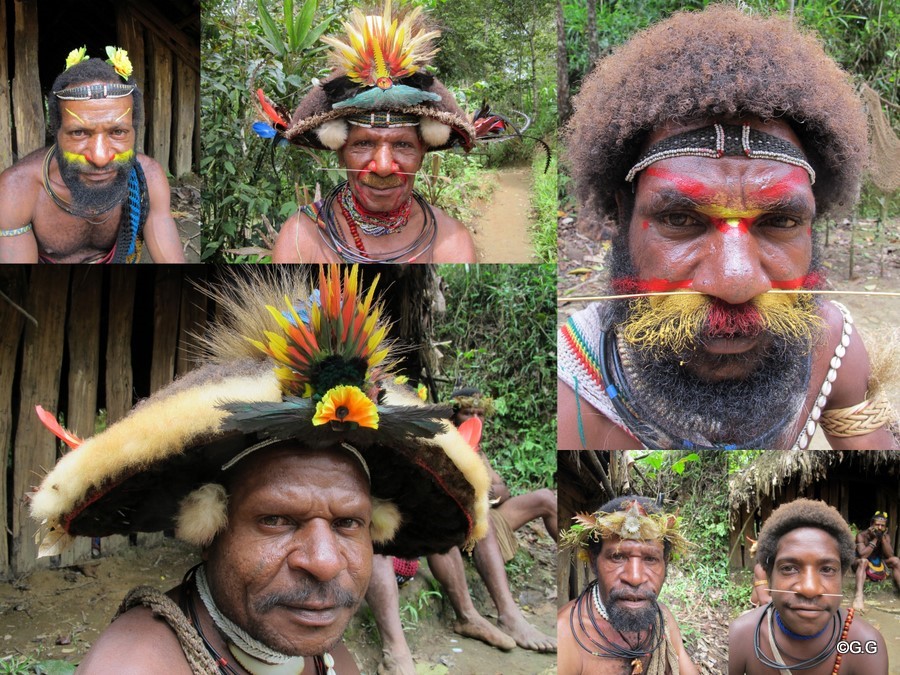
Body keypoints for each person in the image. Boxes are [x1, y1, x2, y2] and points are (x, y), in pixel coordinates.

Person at [28, 266, 490, 674]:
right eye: (276, 520)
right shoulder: (135, 665)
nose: (325, 562)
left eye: (348, 523)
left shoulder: (326, 656)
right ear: (208, 529)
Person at [557, 5, 897, 450]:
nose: (736, 283)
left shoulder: (832, 345)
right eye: (680, 220)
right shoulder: (571, 387)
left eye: (780, 221)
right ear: (624, 216)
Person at [364, 386, 556, 674]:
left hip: (473, 522)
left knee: (537, 499)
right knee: (468, 521)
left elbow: (501, 492)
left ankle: (505, 614)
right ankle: (400, 648)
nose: (474, 418)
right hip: (434, 526)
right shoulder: (434, 440)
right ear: (454, 414)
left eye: (480, 414)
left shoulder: (474, 444)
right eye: (469, 412)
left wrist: (483, 479)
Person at [269, 2, 477, 263]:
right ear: (340, 149)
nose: (383, 167)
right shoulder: (302, 239)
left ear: (423, 150)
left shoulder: (450, 241)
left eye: (402, 145)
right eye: (364, 143)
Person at [0, 47, 184, 263]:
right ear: (56, 132)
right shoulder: (16, 190)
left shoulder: (148, 179)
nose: (99, 157)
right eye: (79, 133)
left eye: (117, 132)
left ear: (134, 131)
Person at [729, 499, 888, 674]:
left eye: (827, 569)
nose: (809, 589)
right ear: (769, 576)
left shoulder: (866, 644)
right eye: (789, 568)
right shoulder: (741, 637)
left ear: (841, 576)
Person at [557, 495, 697, 675]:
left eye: (650, 559)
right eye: (617, 557)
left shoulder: (664, 620)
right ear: (593, 561)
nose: (635, 577)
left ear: (665, 563)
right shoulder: (566, 637)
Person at [851, 511, 900, 612]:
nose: (880, 528)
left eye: (882, 525)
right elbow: (862, 555)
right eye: (877, 524)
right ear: (871, 524)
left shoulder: (885, 536)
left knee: (896, 560)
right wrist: (875, 540)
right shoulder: (861, 535)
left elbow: (890, 555)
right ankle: (858, 596)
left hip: (878, 563)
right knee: (864, 561)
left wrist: (881, 539)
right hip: (862, 563)